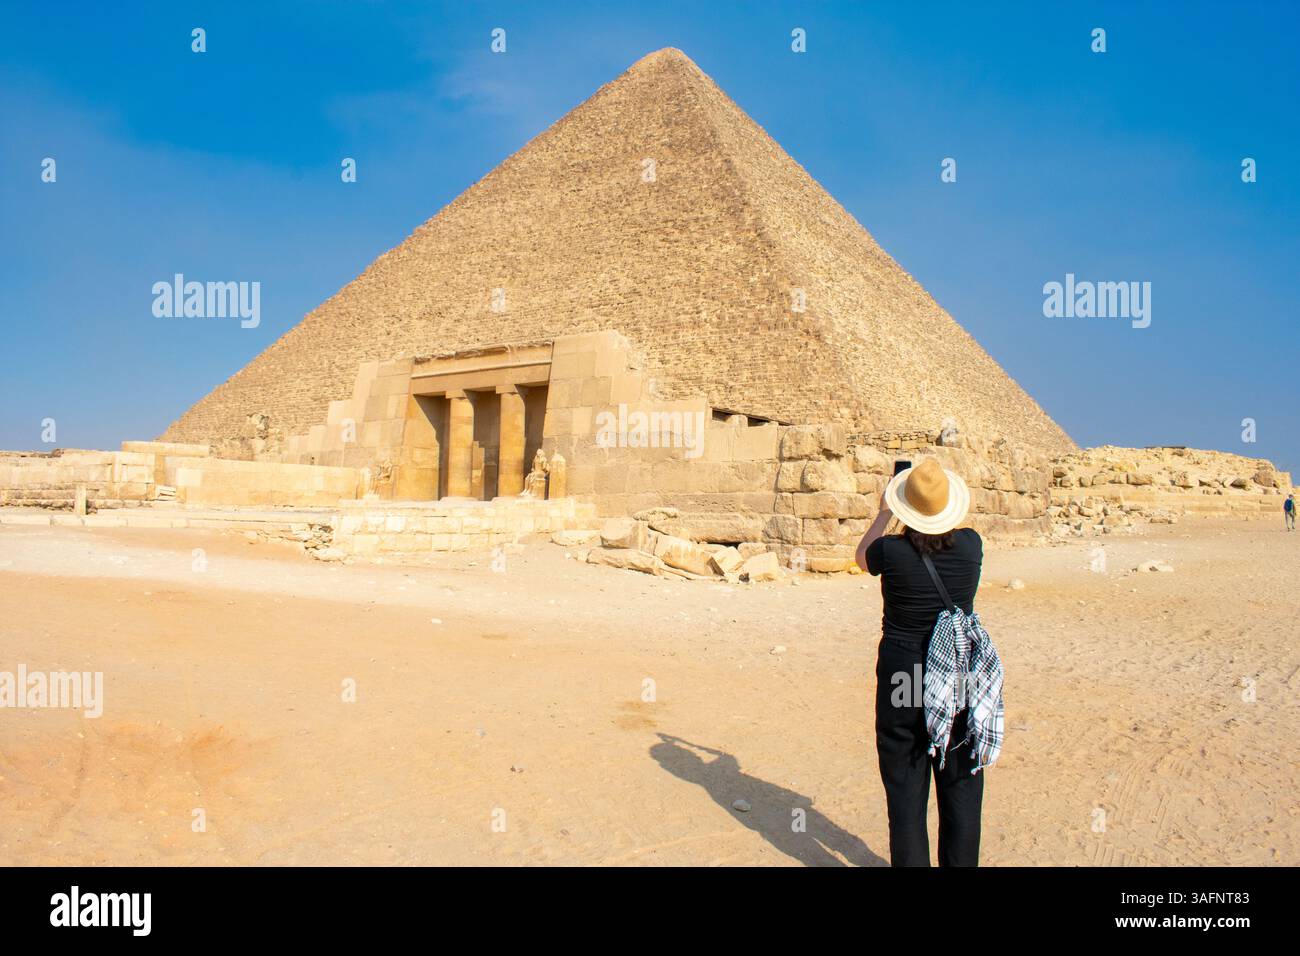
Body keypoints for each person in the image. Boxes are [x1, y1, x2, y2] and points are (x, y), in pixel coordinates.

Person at [854, 457, 985, 866]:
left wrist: (884, 512)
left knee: (906, 785)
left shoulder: (890, 552)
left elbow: (861, 556)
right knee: (960, 781)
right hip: (956, 673)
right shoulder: (971, 546)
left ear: (907, 507)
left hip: (904, 674)